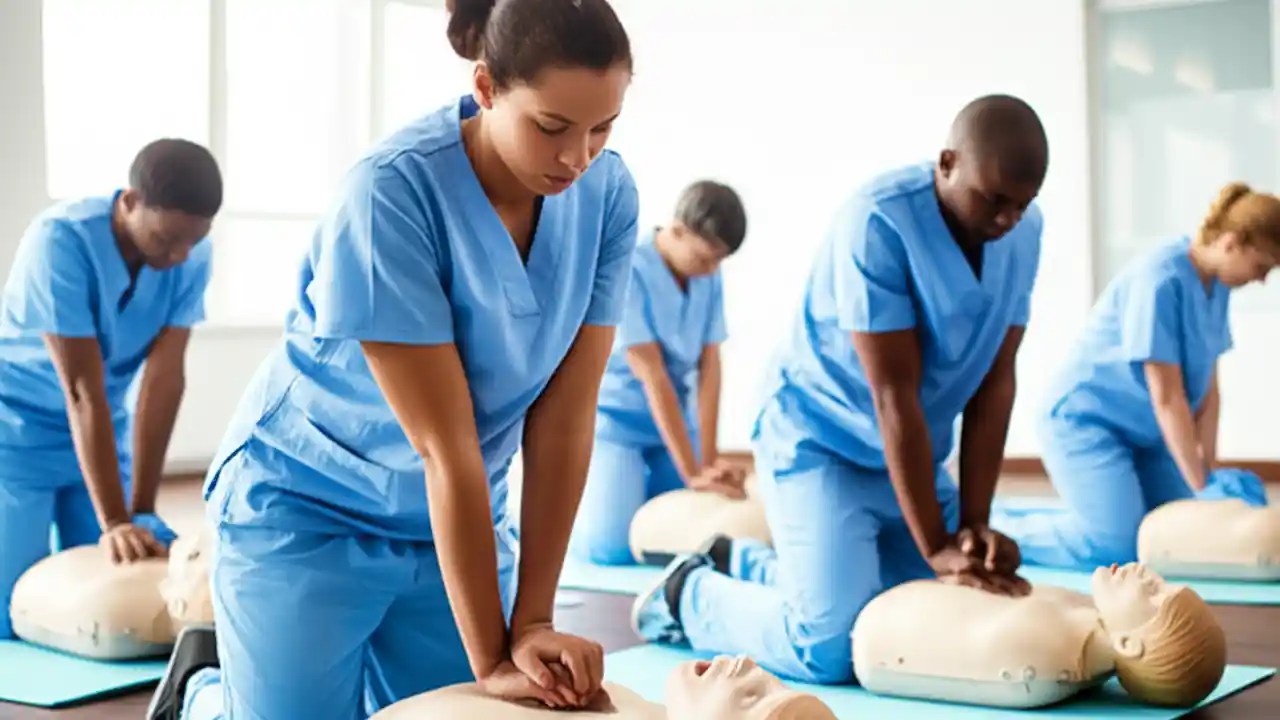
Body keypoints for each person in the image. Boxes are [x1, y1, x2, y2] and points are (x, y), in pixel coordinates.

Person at [146, 1, 637, 718]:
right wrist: (492, 658)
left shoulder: (608, 194)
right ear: (487, 87)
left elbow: (564, 422)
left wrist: (532, 623)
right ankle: (205, 691)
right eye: (552, 127)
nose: (577, 158)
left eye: (602, 128)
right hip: (306, 506)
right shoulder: (390, 191)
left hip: (453, 523)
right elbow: (445, 448)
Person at [632, 95, 1050, 684]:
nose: (1008, 219)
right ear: (947, 162)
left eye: (1022, 204)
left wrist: (973, 527)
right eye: (994, 199)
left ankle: (745, 561)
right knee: (828, 649)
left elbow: (994, 383)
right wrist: (935, 545)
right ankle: (690, 593)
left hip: (908, 457)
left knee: (944, 607)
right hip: (819, 444)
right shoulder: (877, 220)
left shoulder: (1025, 232)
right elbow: (892, 395)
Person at [992, 184, 1280, 571]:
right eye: (1262, 267)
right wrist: (1197, 483)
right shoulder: (1159, 279)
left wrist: (1206, 477)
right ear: (1231, 243)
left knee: (1172, 538)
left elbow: (1208, 391)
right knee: (1117, 547)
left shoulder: (1219, 285)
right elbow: (1167, 396)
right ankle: (989, 530)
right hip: (1086, 424)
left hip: (1148, 436)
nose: (1262, 279)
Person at [0, 139, 220, 638]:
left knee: (124, 576)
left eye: (193, 239)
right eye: (167, 239)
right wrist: (115, 518)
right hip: (15, 428)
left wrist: (139, 507)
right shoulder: (59, 242)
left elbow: (163, 384)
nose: (180, 254)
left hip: (101, 427)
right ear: (129, 202)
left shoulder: (192, 253)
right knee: (11, 609)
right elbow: (81, 389)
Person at [569, 180, 749, 565]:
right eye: (705, 259)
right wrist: (692, 471)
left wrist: (709, 460)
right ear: (678, 230)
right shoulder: (627, 269)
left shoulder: (708, 274)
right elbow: (653, 376)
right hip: (616, 424)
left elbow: (710, 368)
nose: (712, 270)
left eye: (719, 261)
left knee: (682, 538)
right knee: (613, 549)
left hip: (674, 423)